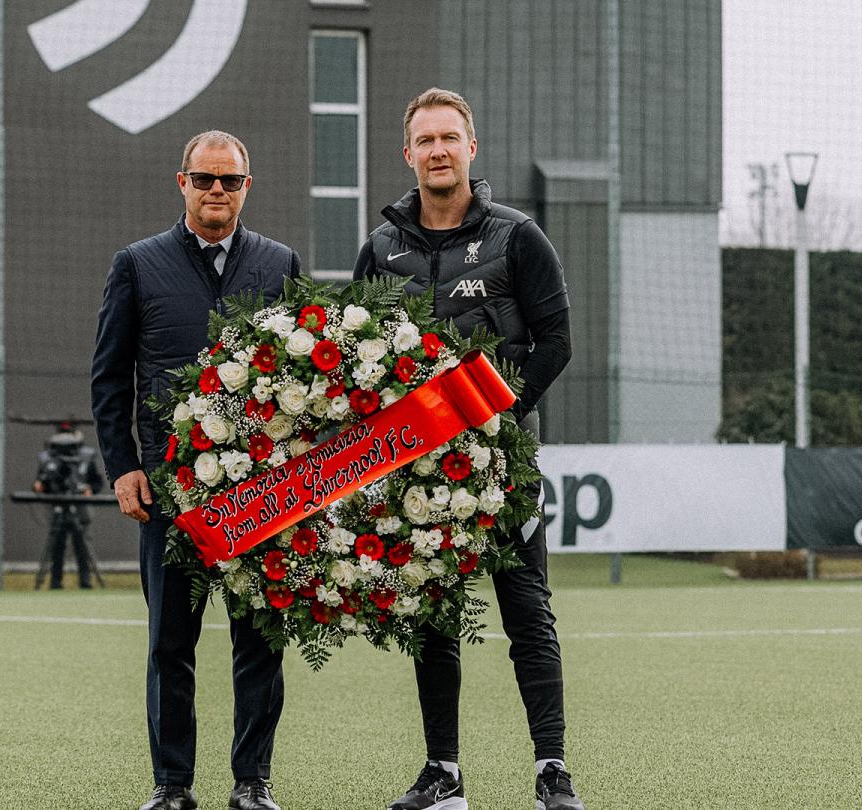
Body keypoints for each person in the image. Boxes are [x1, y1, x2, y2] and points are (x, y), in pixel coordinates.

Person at [353, 88, 584, 810]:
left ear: (471, 148)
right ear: (409, 154)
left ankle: (552, 770)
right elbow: (359, 359)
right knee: (431, 617)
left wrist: (490, 418)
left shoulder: (519, 236)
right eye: (426, 141)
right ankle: (443, 773)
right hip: (419, 476)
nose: (439, 150)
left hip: (501, 468)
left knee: (527, 615)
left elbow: (557, 345)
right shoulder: (381, 248)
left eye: (450, 137)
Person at [91, 130, 301, 810]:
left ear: (248, 187)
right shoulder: (137, 264)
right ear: (180, 182)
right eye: (205, 179)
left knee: (258, 641)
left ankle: (251, 783)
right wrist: (123, 466)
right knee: (169, 646)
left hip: (261, 493)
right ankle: (172, 785)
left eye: (230, 181)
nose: (217, 191)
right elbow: (109, 377)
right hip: (171, 494)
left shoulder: (279, 263)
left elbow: (306, 376)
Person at [31, 424, 105, 589]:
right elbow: (43, 481)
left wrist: (89, 489)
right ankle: (55, 582)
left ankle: (85, 582)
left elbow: (97, 482)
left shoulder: (85, 458)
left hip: (80, 509)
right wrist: (39, 486)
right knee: (57, 546)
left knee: (82, 546)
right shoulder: (48, 459)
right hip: (58, 507)